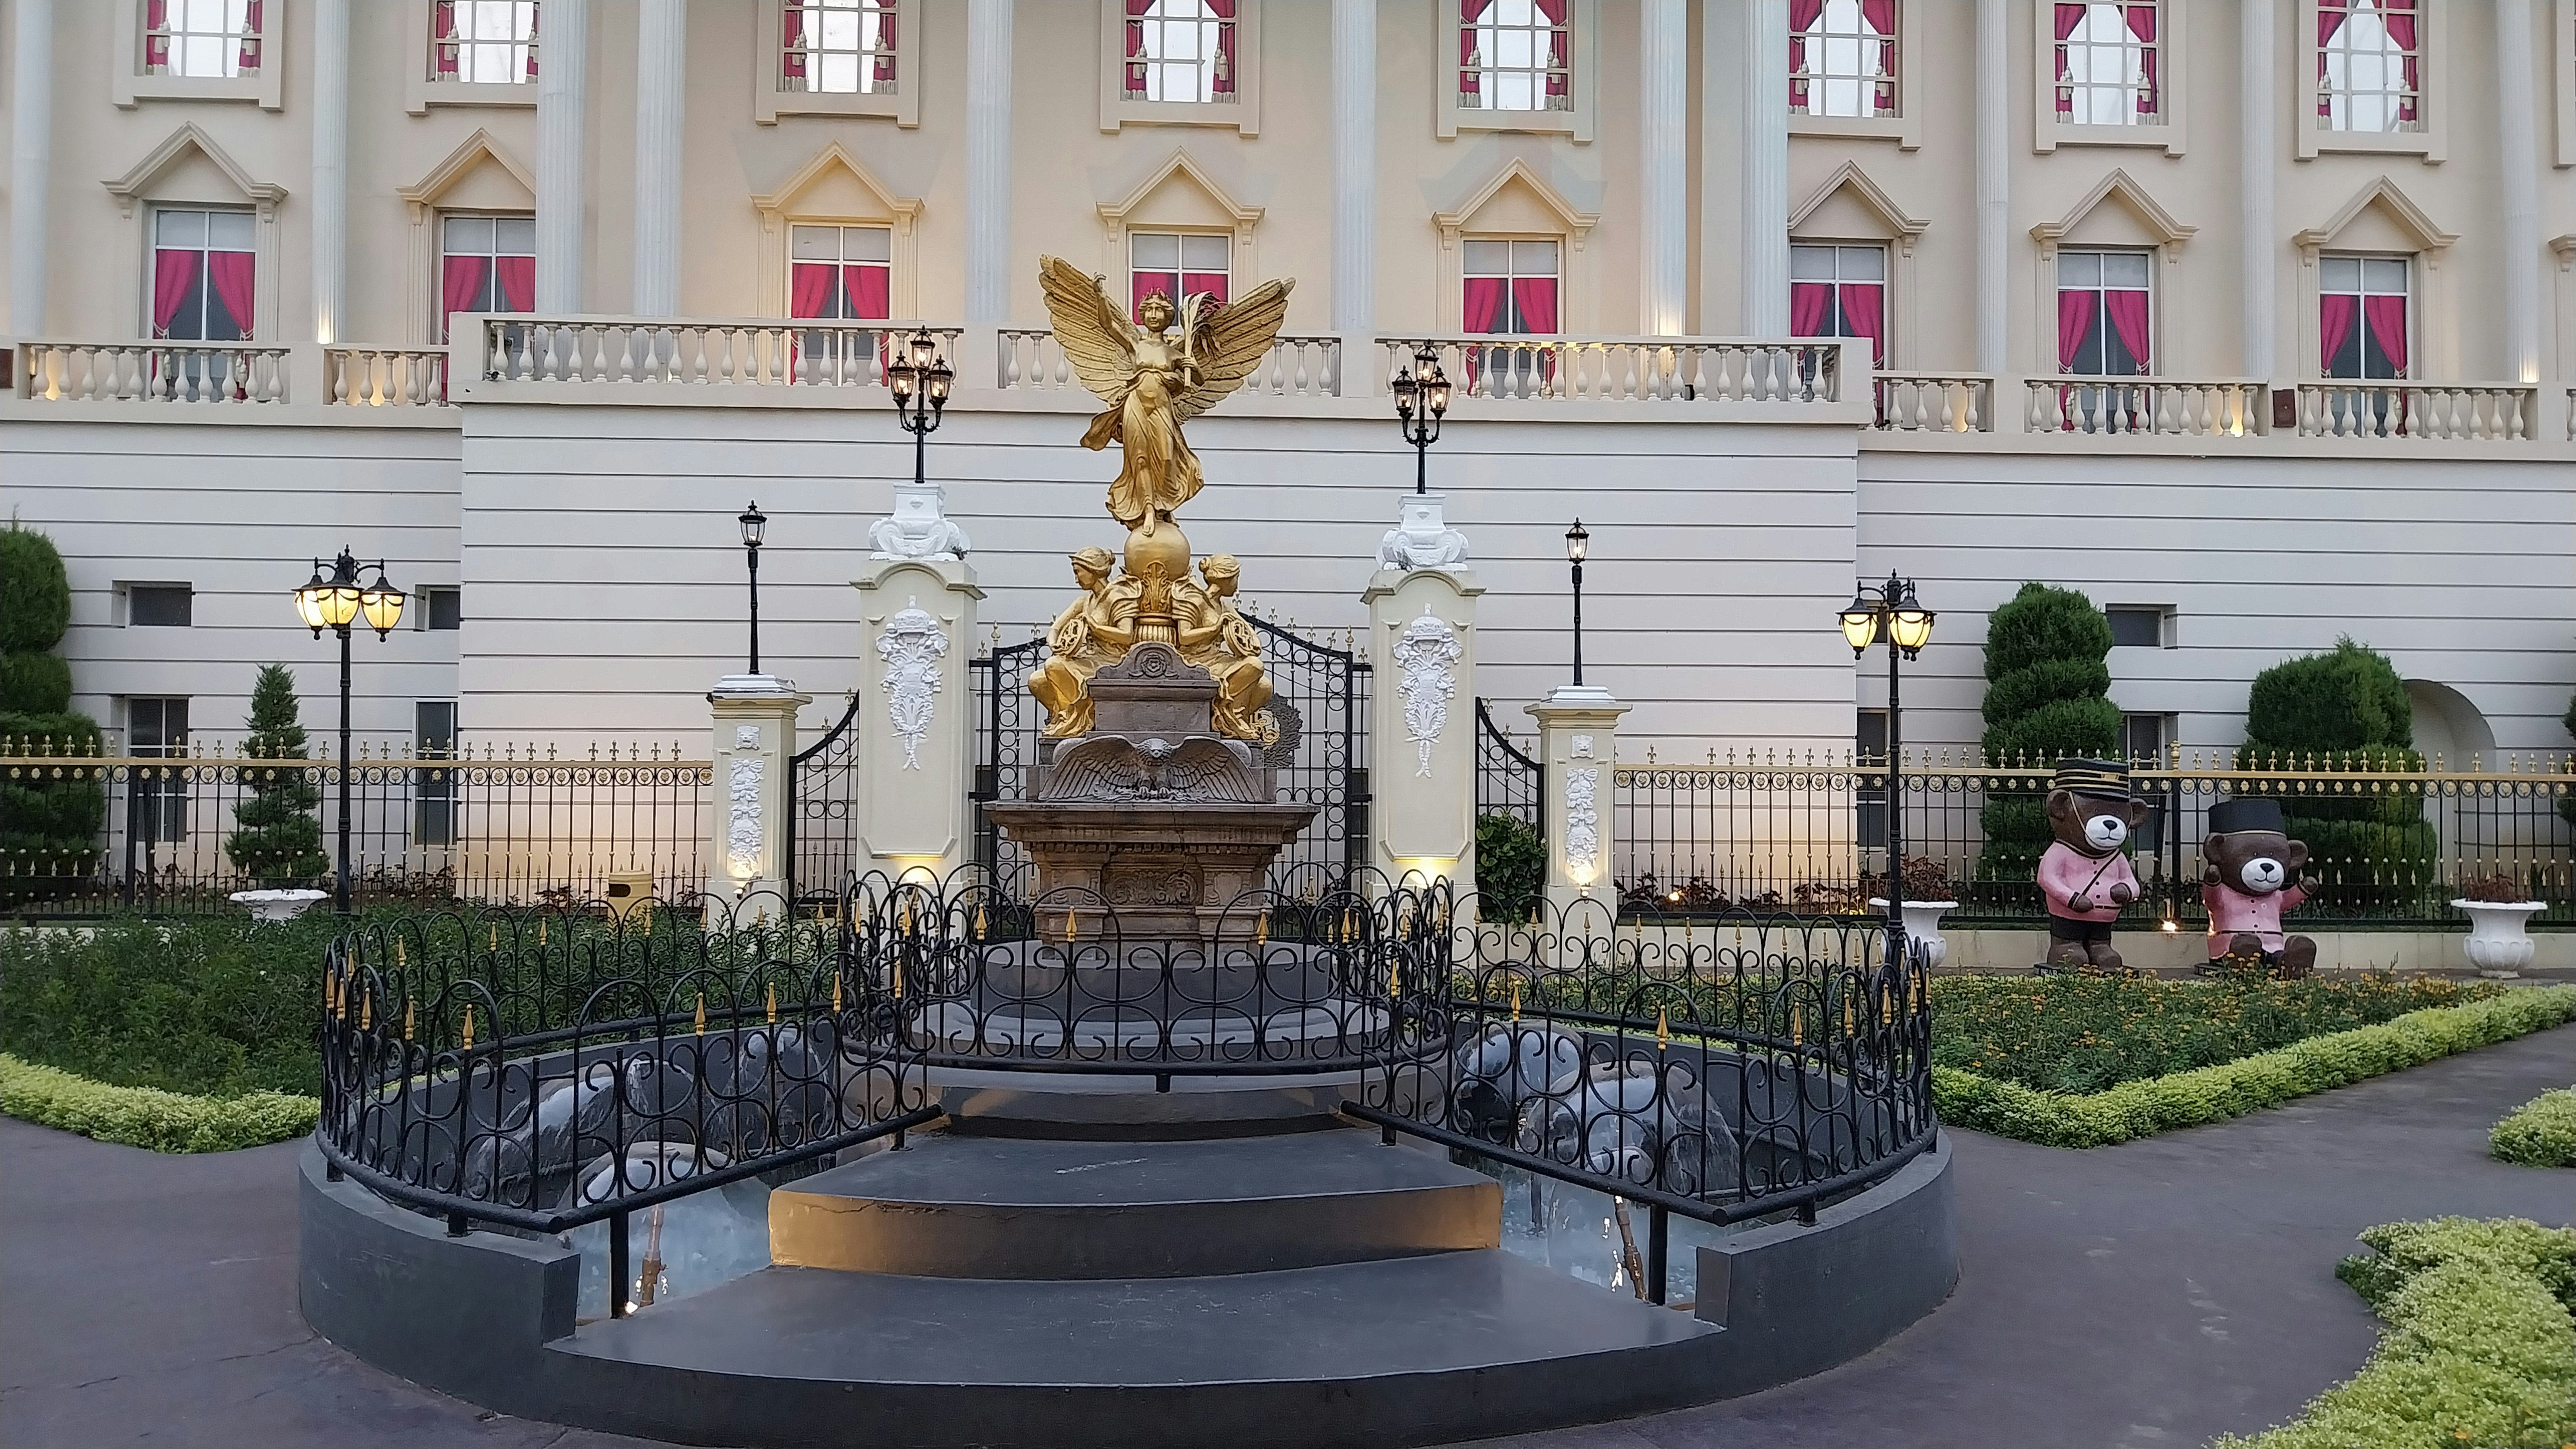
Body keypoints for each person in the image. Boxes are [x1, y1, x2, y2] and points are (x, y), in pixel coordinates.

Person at [1029, 548, 1138, 737]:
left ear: (1093, 570)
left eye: (1078, 573)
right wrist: (1054, 643)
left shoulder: (1118, 598)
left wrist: (1095, 628)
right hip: (1090, 659)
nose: (1077, 579)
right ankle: (1065, 718)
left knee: (1053, 665)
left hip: (1115, 662)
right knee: (1037, 682)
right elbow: (1056, 628)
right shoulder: (1084, 602)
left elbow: (1127, 636)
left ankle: (1076, 723)